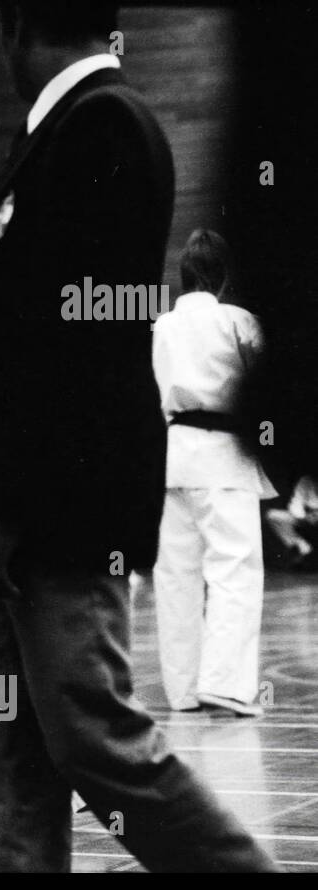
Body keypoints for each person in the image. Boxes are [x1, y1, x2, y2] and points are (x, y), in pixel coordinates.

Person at [0, 1, 277, 872]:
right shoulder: (55, 130)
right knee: (0, 756)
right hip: (4, 507)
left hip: (50, 506)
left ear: (19, 26)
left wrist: (15, 501)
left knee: (94, 737)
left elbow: (81, 341)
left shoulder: (103, 124)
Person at [152, 230, 276, 716]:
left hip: (171, 456)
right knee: (234, 570)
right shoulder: (238, 321)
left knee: (175, 576)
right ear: (224, 275)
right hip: (223, 455)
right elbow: (267, 383)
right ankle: (224, 682)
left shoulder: (162, 326)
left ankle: (182, 690)